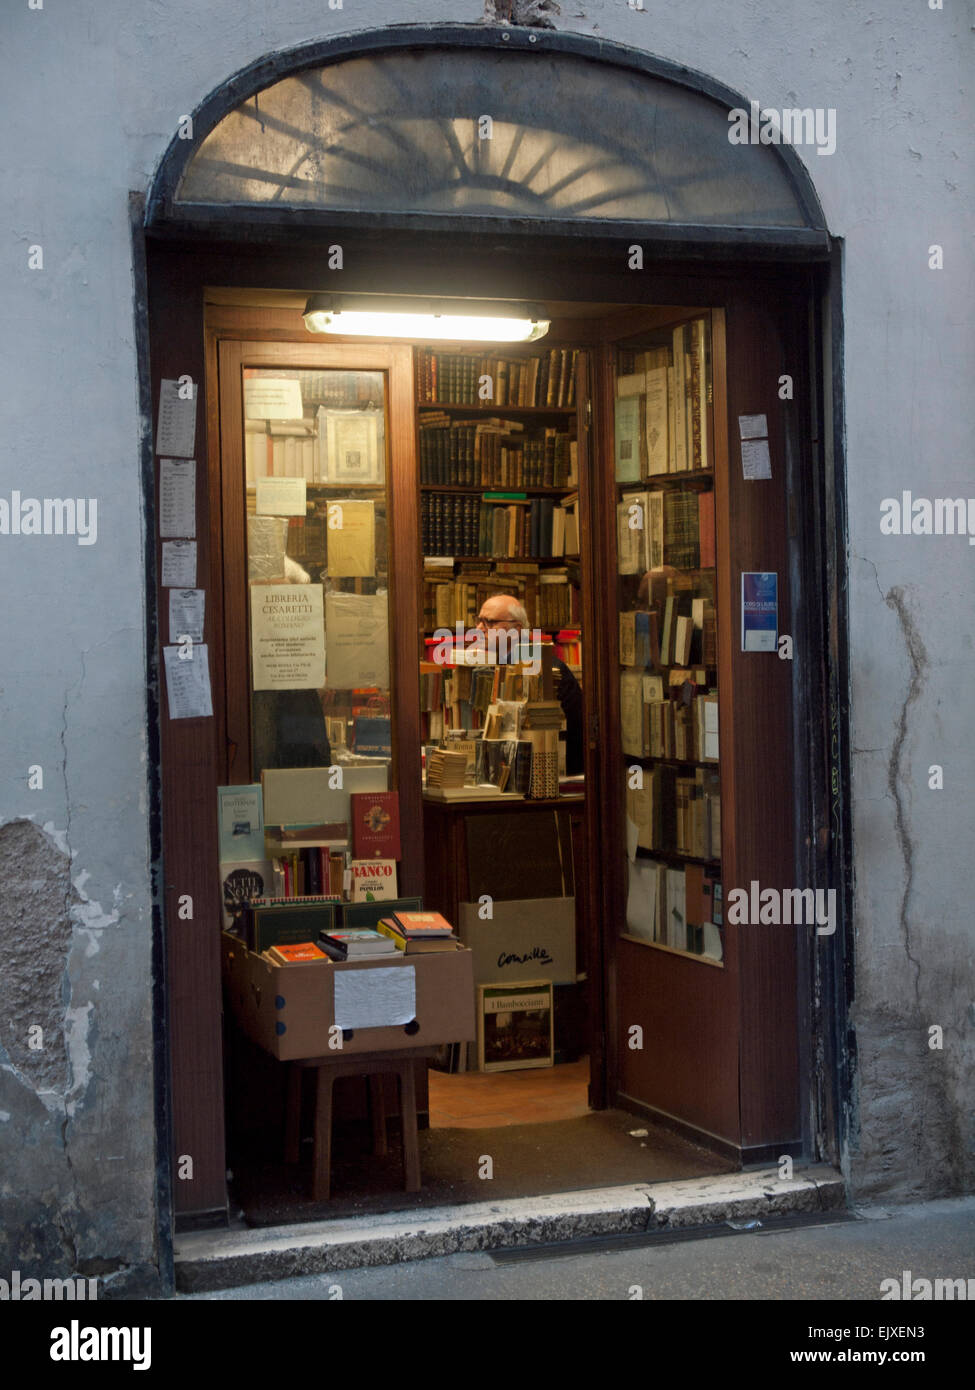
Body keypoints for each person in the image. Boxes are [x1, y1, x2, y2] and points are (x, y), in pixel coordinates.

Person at [475, 593, 584, 776]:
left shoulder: (536, 668)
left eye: (489, 622)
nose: (479, 628)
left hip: (552, 774)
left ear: (516, 629)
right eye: (478, 620)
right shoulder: (502, 664)